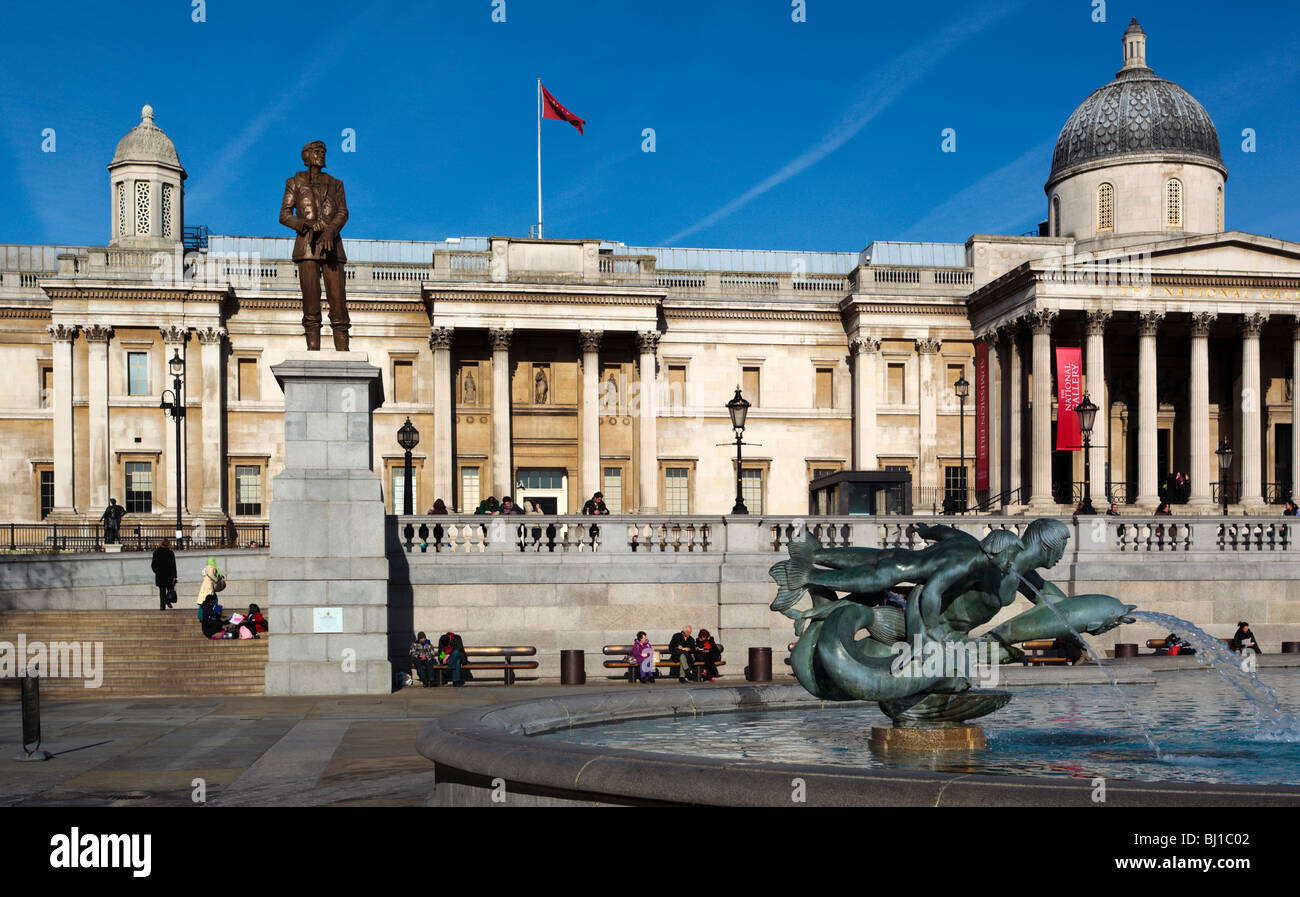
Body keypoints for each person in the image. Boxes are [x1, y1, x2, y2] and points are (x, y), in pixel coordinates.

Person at [279, 140, 351, 351]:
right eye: (317, 152)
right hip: (307, 247)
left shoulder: (336, 183)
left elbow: (343, 212)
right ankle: (312, 349)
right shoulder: (295, 181)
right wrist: (308, 225)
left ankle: (342, 347)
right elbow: (284, 215)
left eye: (323, 152)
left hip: (332, 247)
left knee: (338, 300)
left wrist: (330, 229)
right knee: (310, 300)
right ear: (306, 157)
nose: (321, 155)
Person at [151, 538, 177, 610]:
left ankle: (162, 606)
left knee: (162, 591)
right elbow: (173, 565)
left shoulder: (156, 552)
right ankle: (168, 600)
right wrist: (174, 576)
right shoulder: (170, 553)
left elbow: (153, 565)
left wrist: (157, 571)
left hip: (160, 575)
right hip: (169, 575)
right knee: (170, 590)